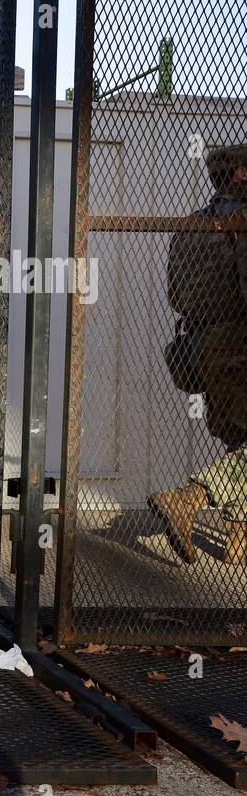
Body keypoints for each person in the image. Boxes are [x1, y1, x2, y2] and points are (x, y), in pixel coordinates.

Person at [149, 144, 247, 565]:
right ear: (241, 174)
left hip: (201, 347)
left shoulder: (190, 225)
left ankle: (239, 542)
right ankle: (188, 499)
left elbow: (176, 293)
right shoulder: (239, 223)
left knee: (239, 441)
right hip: (239, 345)